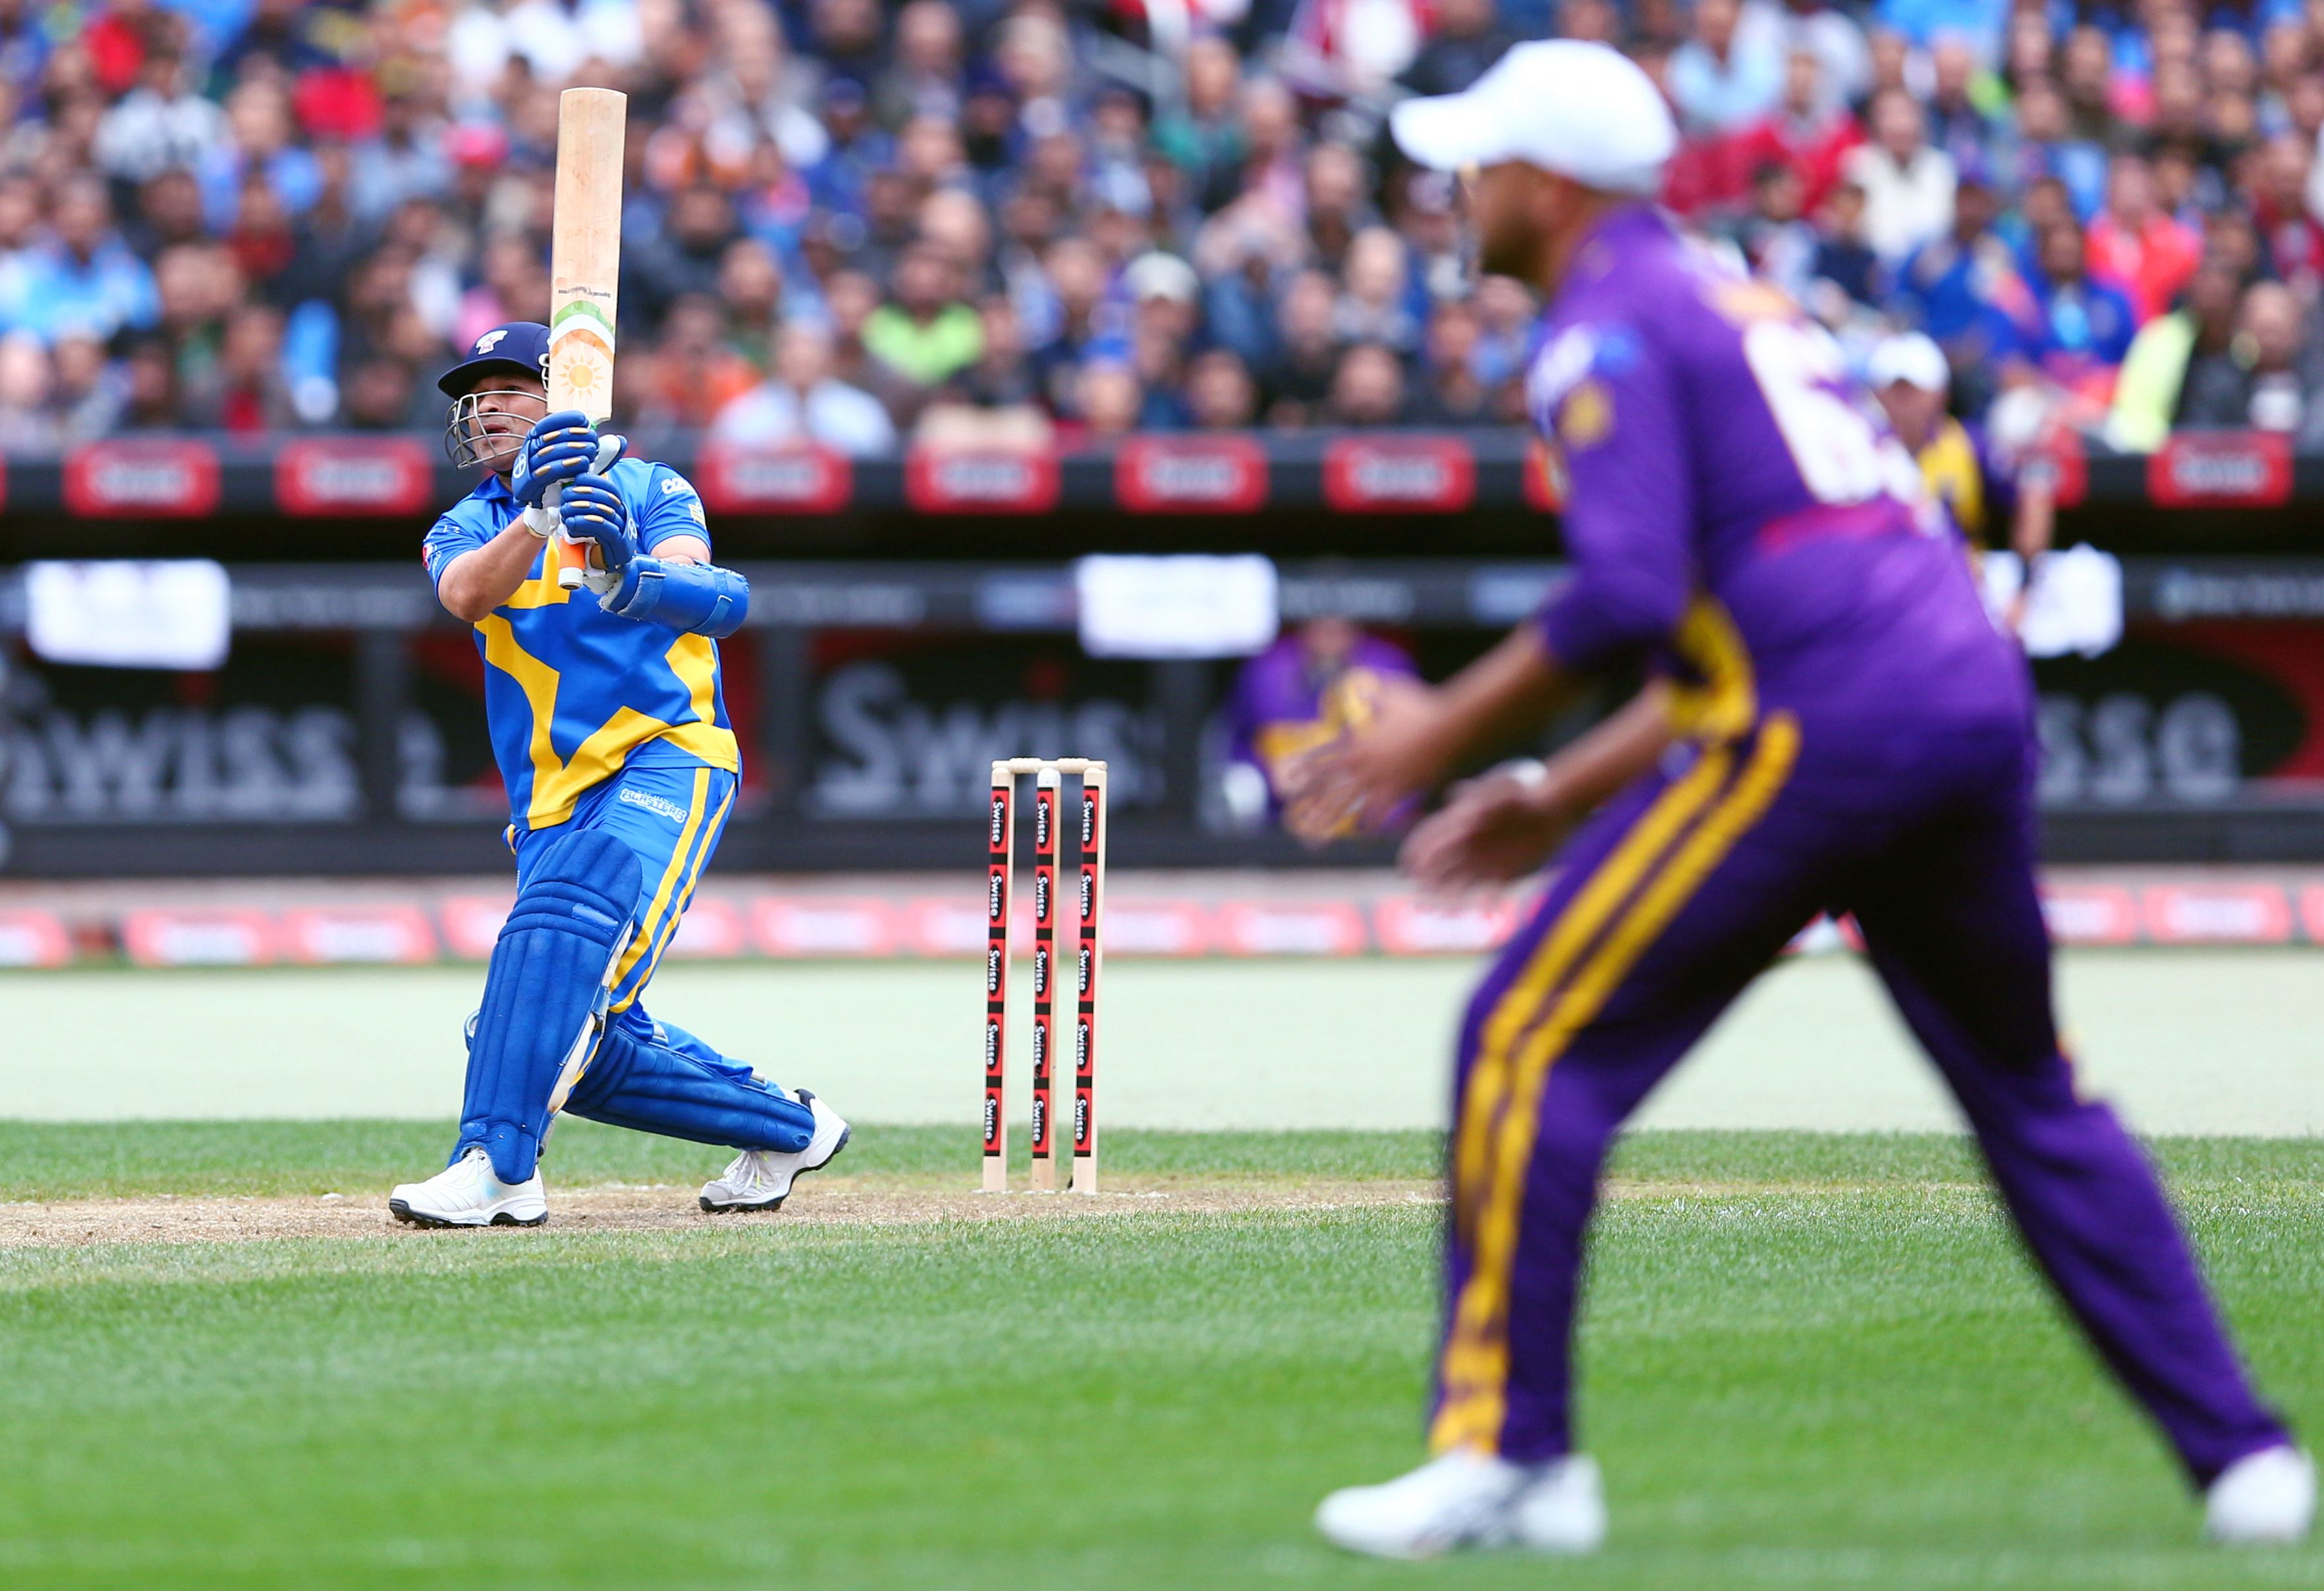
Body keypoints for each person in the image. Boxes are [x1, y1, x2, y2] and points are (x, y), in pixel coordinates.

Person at [1289, 39, 2312, 1560]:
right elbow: (1740, 611)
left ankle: (1514, 1456)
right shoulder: (1741, 297)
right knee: (2029, 1091)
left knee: (1521, 1041)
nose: (1455, 189)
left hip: (1825, 723)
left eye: (1478, 161)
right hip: (1958, 696)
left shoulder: (1605, 325)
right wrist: (1561, 791)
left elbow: (1634, 598)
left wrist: (1430, 728)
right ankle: (2243, 1460)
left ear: (1547, 185)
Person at [391, 322, 850, 1228]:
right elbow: (465, 595)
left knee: (550, 965)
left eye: (510, 388)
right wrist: (535, 515)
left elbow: (721, 597)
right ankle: (790, 1127)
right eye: (475, 396)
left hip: (665, 758)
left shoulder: (648, 486)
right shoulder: (468, 523)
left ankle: (496, 1166)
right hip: (549, 808)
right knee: (558, 1027)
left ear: (568, 396)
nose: (485, 409)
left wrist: (623, 573)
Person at [1867, 332, 2054, 618]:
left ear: (1941, 395)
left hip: (1960, 597)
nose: (1904, 402)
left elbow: (2033, 487)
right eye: (1894, 390)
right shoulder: (1862, 452)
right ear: (1877, 394)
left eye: (1914, 390)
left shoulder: (1969, 446)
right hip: (1885, 598)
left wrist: (2024, 588)